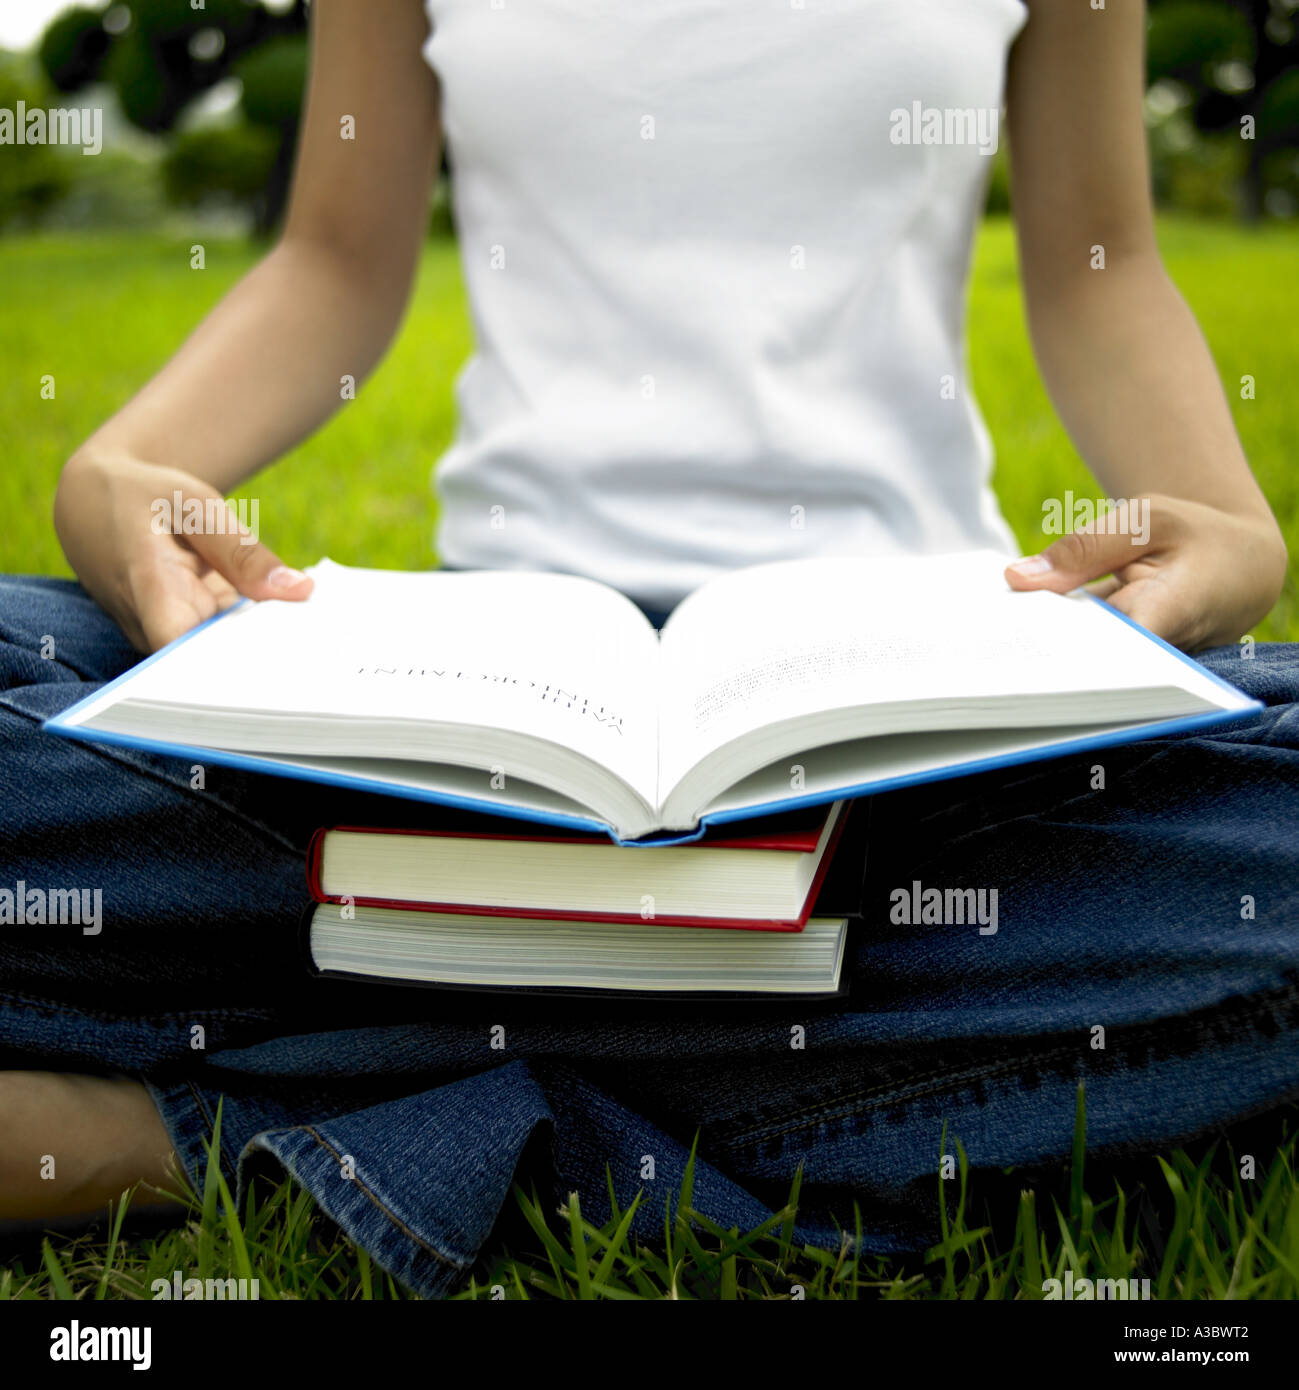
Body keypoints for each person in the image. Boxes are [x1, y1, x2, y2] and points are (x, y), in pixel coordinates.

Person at [1, 0, 1294, 1297]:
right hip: (473, 707)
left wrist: (1234, 524)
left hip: (921, 704)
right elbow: (336, 254)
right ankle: (723, 1021)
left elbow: (1100, 257)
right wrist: (118, 468)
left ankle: (252, 1115)